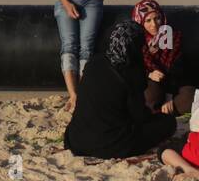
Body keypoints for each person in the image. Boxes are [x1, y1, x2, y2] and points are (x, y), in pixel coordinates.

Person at [63, 21, 177, 159]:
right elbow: (138, 115)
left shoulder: (94, 62)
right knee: (167, 123)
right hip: (110, 144)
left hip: (76, 140)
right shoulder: (130, 73)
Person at [131, 0, 197, 115]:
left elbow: (178, 68)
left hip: (174, 83)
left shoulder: (173, 37)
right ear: (140, 21)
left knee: (190, 97)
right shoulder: (135, 39)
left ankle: (162, 110)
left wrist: (170, 96)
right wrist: (149, 74)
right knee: (150, 96)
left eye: (157, 18)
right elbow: (132, 67)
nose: (154, 24)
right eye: (148, 20)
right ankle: (159, 110)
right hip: (149, 82)